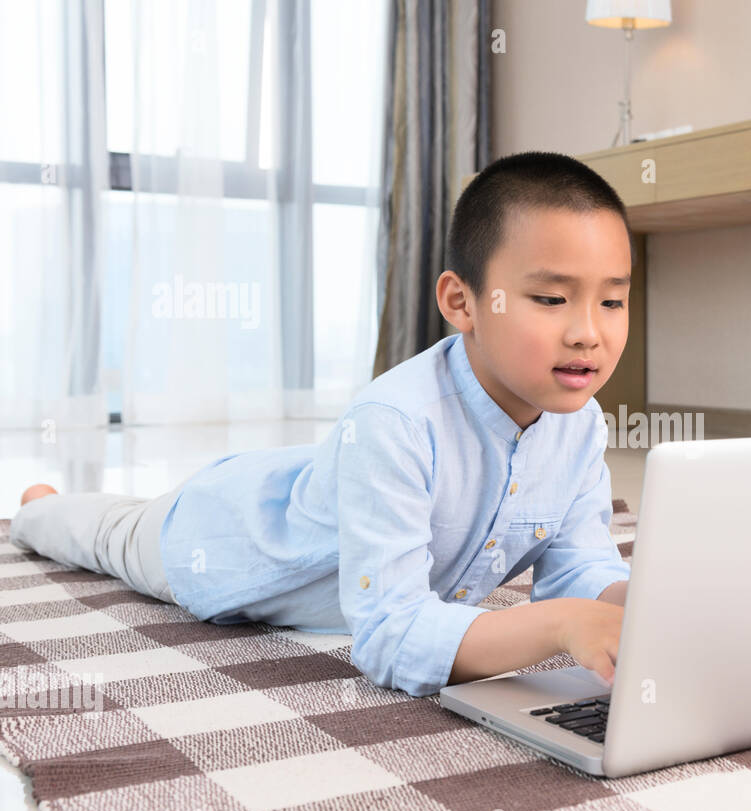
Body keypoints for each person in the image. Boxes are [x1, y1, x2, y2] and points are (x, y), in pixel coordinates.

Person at [10, 151, 633, 697]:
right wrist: (558, 626)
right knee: (109, 535)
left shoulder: (579, 428)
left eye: (612, 300)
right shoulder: (398, 421)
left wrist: (640, 609)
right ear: (460, 302)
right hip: (222, 535)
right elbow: (390, 636)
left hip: (319, 482)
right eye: (552, 299)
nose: (589, 332)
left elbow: (581, 572)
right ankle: (43, 508)